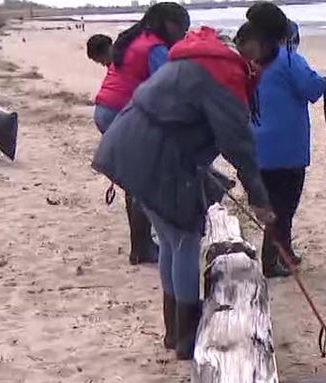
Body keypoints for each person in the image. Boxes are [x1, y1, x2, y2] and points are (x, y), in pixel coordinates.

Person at [92, 20, 276, 361]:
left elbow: (185, 118)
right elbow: (238, 143)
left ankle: (173, 331)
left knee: (170, 241)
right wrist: (260, 200)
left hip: (130, 143)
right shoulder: (223, 74)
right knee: (184, 240)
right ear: (254, 57)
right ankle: (186, 336)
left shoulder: (198, 59)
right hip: (156, 157)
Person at [93, 2, 190, 265]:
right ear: (167, 24)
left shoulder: (135, 38)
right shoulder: (154, 47)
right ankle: (142, 248)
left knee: (136, 179)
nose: (183, 33)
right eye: (181, 27)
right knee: (142, 181)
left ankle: (142, 244)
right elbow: (168, 88)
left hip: (107, 110)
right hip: (120, 112)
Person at [245, 6, 326, 277]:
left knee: (272, 203)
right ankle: (272, 261)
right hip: (286, 147)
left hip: (256, 144)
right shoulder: (289, 60)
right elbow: (312, 88)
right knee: (284, 206)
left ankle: (285, 253)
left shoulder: (250, 59)